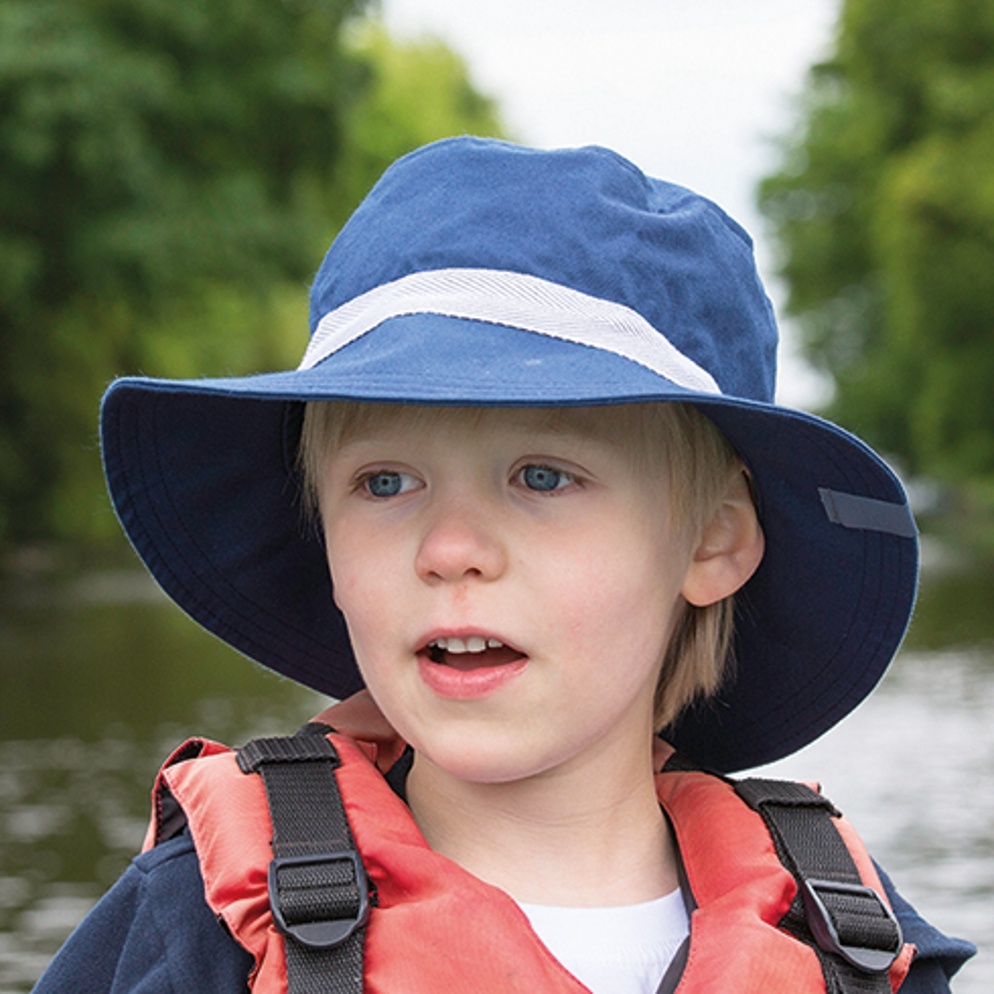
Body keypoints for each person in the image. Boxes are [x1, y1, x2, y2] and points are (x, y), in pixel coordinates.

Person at [34, 137, 974, 993]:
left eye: (541, 476)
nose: (450, 551)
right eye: (386, 481)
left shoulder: (845, 934)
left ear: (712, 541)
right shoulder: (201, 924)